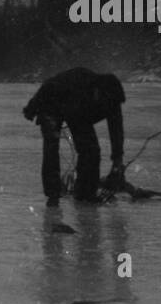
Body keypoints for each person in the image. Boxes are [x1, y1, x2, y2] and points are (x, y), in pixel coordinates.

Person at [22, 68, 126, 206]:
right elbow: (48, 86)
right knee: (52, 149)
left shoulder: (111, 98)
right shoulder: (80, 80)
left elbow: (116, 129)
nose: (112, 108)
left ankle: (85, 193)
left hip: (77, 110)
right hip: (50, 105)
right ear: (98, 91)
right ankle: (53, 194)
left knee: (91, 151)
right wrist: (31, 107)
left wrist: (117, 161)